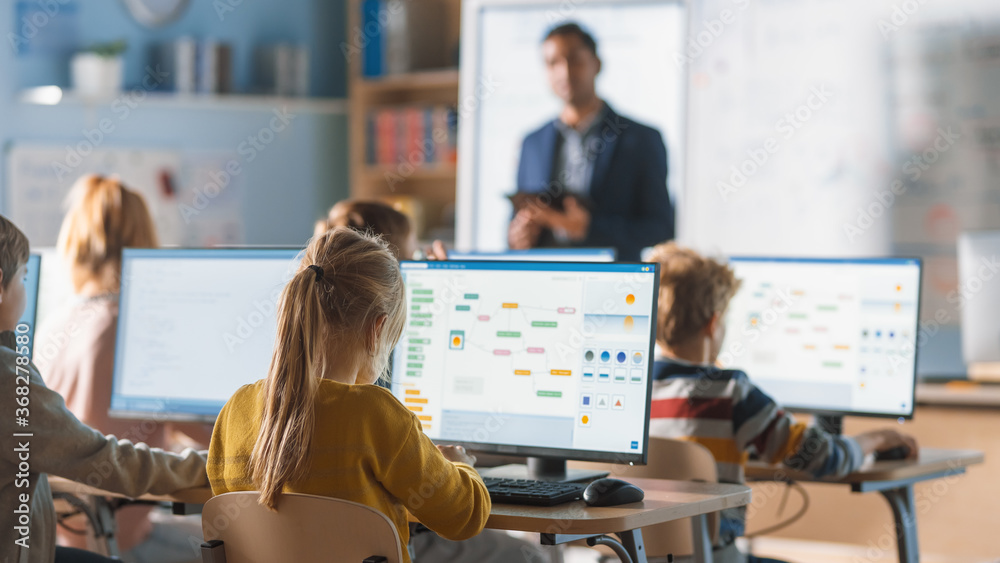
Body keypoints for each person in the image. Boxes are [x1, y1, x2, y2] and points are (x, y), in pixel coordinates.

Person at [207, 227, 492, 563]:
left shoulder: (236, 410)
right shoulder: (375, 414)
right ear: (377, 329)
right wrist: (462, 466)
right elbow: (463, 517)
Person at [646, 242, 919, 563]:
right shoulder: (732, 393)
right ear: (713, 324)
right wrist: (878, 438)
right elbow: (824, 458)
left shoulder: (634, 392)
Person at [0, 213, 208, 563]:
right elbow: (101, 458)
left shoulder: (56, 324)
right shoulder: (9, 376)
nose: (26, 288)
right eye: (23, 278)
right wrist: (217, 462)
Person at [510, 22, 674, 261]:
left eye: (574, 59)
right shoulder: (531, 143)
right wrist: (517, 236)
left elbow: (660, 229)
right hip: (544, 283)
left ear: (596, 64)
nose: (564, 72)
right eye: (553, 63)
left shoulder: (641, 139)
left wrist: (590, 229)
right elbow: (515, 221)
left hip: (613, 285)